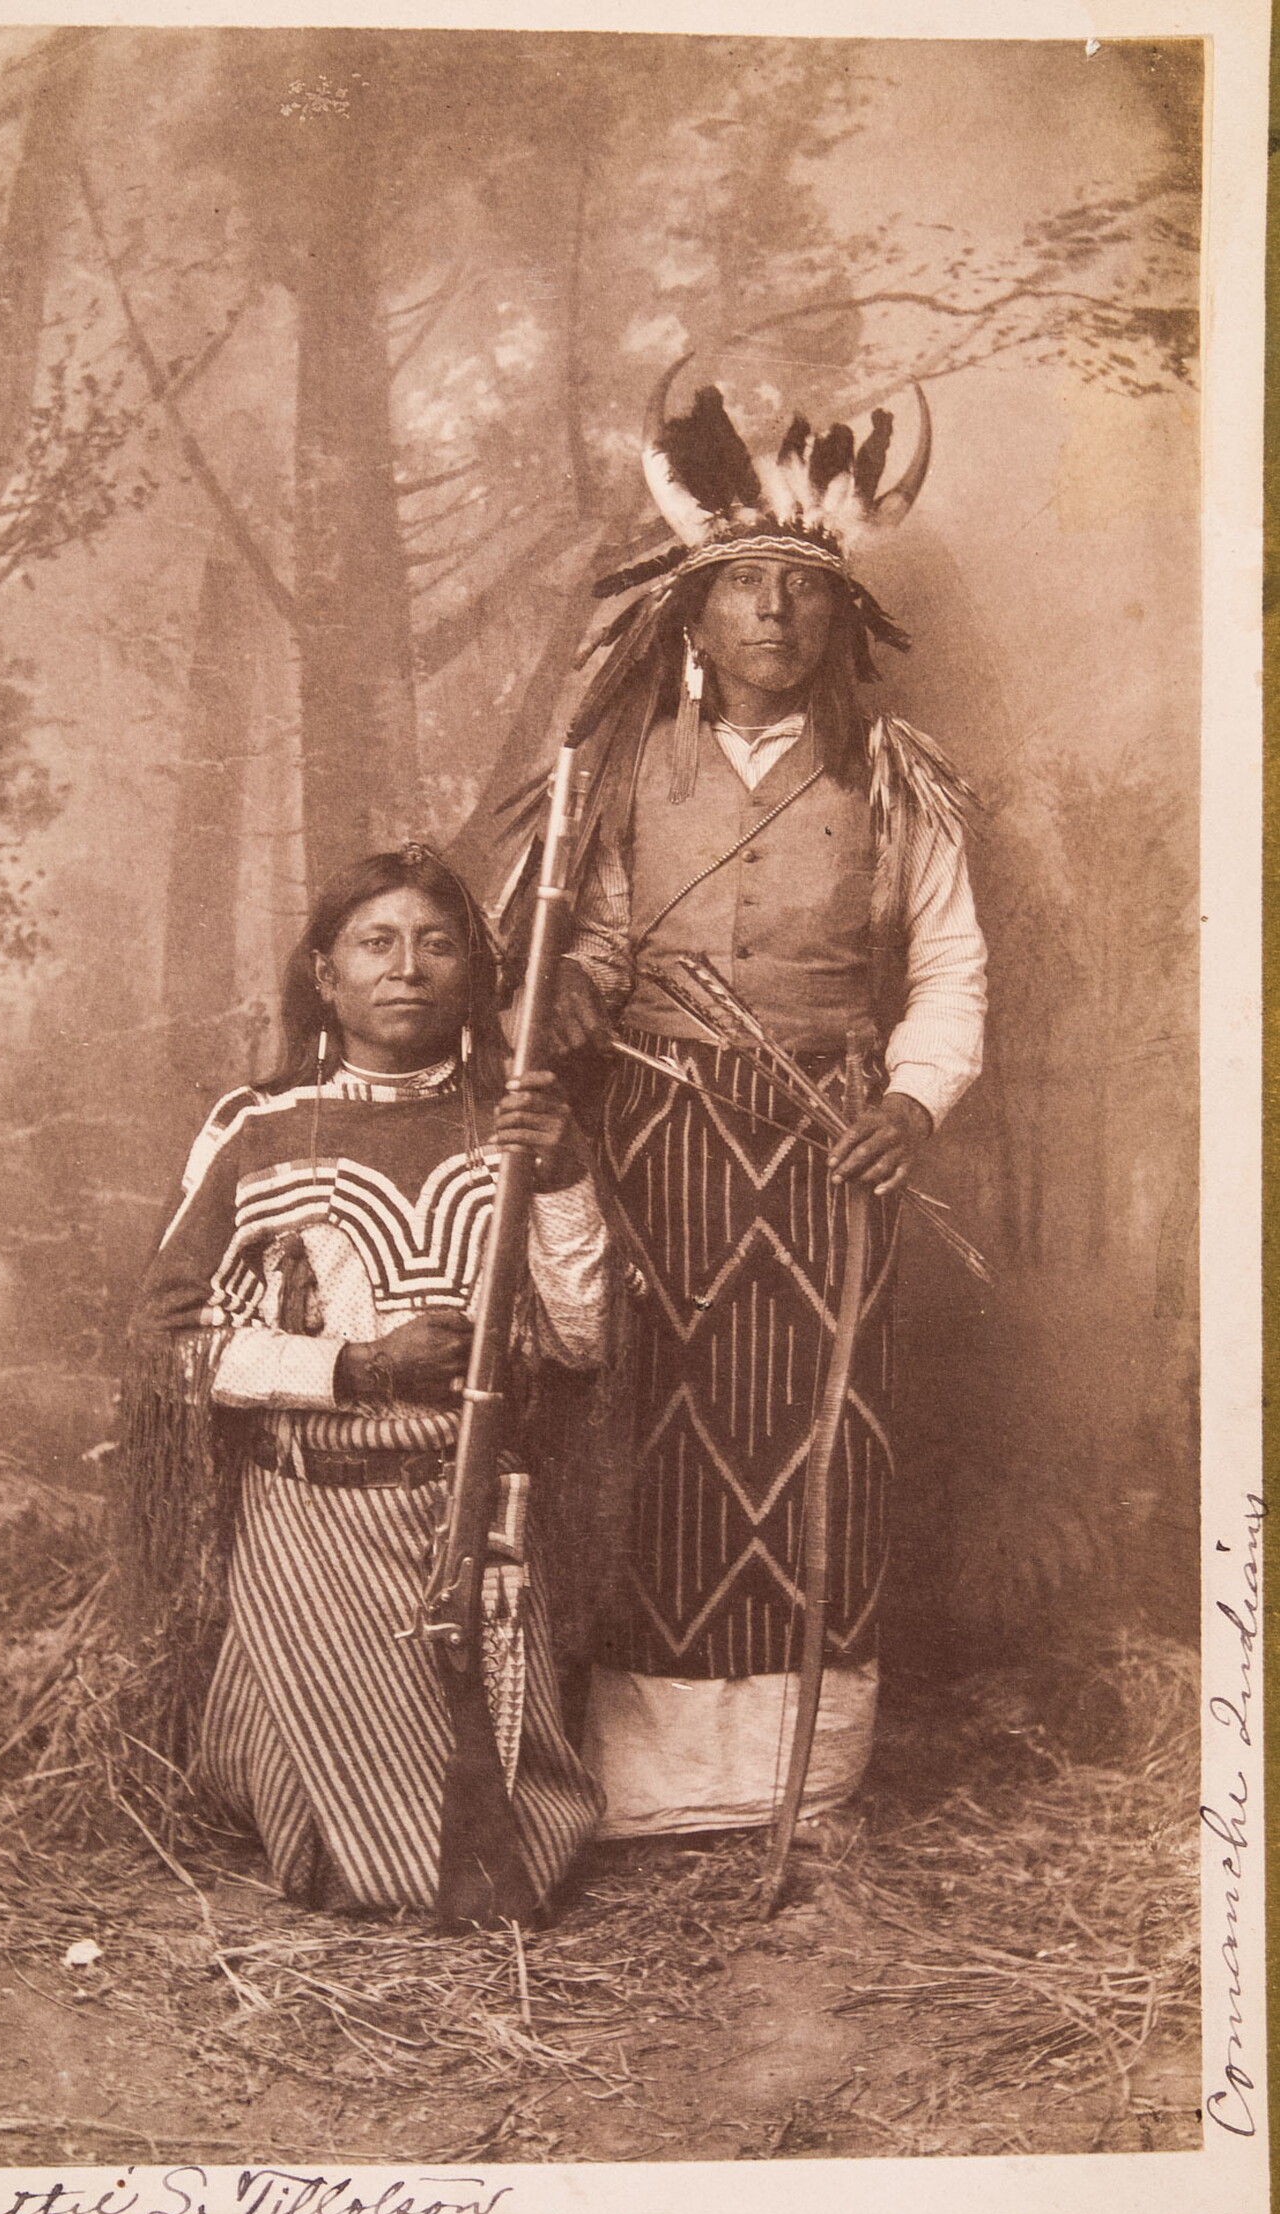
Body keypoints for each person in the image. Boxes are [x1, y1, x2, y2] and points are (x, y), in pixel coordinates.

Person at [544, 368, 987, 1840]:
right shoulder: (618, 773)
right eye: (743, 588)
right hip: (655, 1143)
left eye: (801, 594)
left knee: (817, 1433)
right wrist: (569, 1006)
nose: (774, 618)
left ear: (842, 617)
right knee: (655, 1430)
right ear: (694, 609)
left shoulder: (895, 783)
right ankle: (656, 1784)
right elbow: (593, 942)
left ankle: (806, 1777)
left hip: (826, 1153)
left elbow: (950, 970)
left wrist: (910, 1109)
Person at [128, 848, 607, 1912]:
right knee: (343, 1861)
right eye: (375, 943)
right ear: (325, 973)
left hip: (475, 1524)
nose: (407, 967)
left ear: (473, 978)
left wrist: (565, 1169)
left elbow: (577, 1341)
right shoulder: (257, 1130)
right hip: (313, 1523)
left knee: (504, 1857)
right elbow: (168, 1339)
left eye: (436, 943)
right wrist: (353, 1365)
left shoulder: (516, 1128)